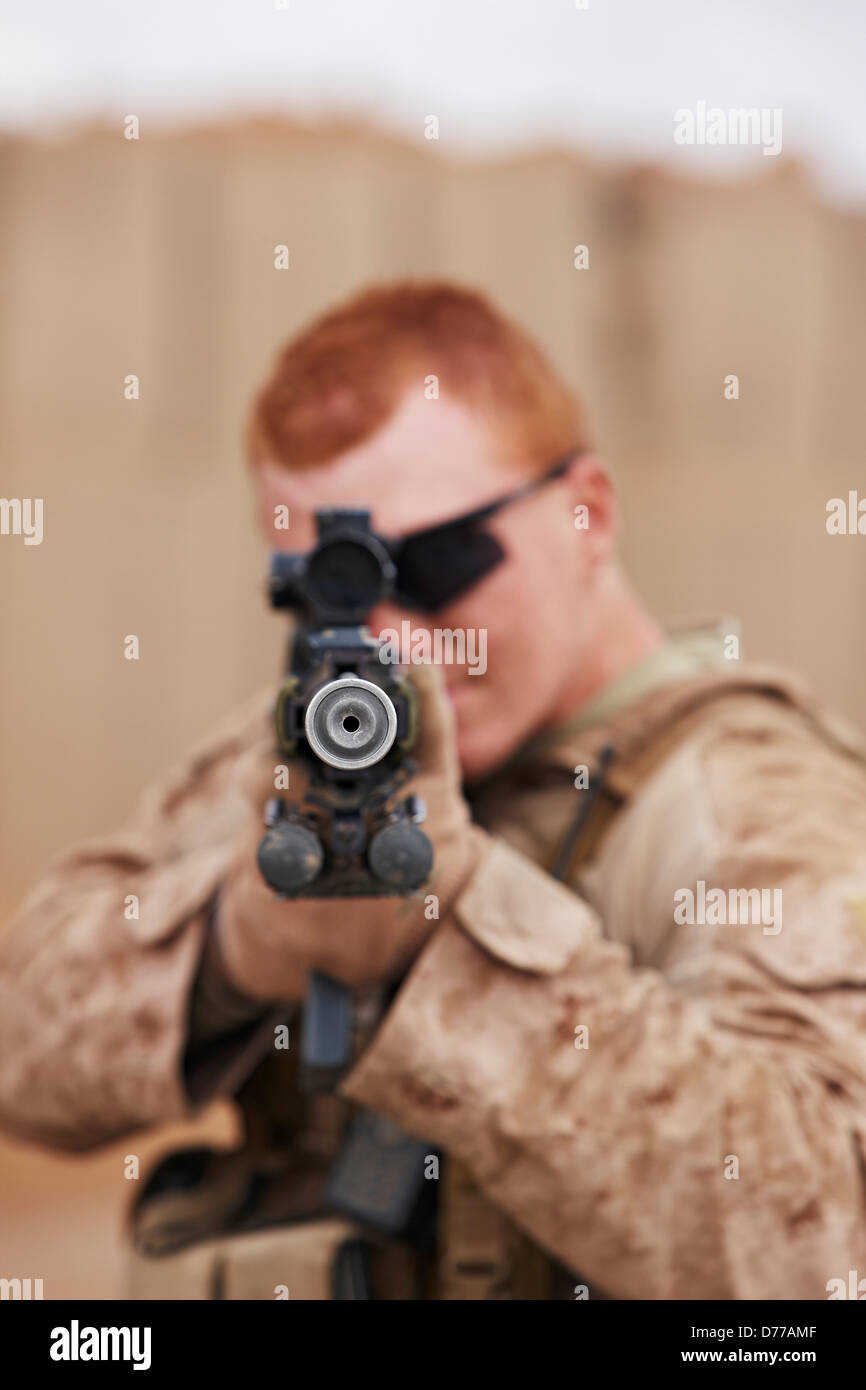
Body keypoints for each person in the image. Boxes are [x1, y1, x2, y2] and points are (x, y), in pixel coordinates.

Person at [3, 281, 866, 1300]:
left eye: (434, 562)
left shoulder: (747, 796)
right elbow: (23, 1052)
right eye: (324, 588)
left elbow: (818, 1249)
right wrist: (238, 946)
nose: (390, 641)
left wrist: (447, 943)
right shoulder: (309, 744)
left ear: (585, 511)